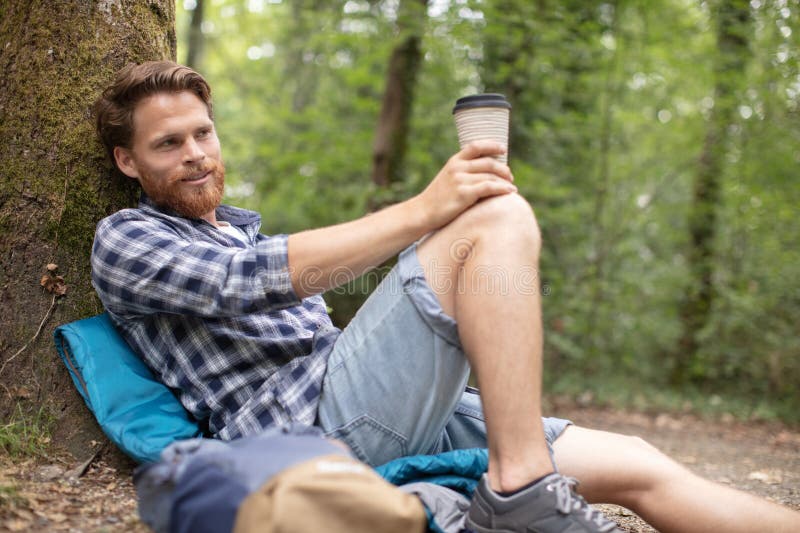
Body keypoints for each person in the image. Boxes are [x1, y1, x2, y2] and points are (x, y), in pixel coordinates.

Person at [90, 61, 799, 533]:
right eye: (168, 144)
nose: (195, 153)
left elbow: (287, 280)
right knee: (494, 215)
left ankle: (524, 477)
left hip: (395, 410)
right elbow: (245, 285)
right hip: (305, 429)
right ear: (128, 161)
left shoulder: (246, 229)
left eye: (203, 133)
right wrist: (428, 208)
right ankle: (520, 487)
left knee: (640, 464)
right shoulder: (124, 239)